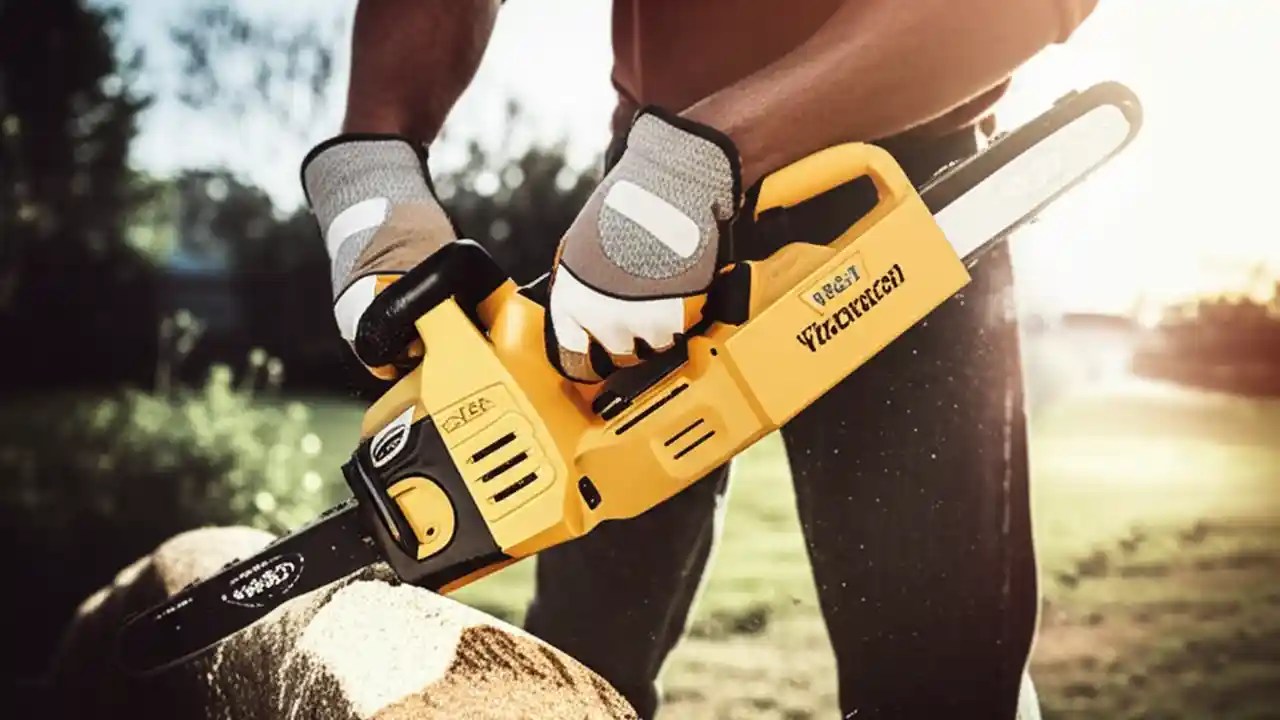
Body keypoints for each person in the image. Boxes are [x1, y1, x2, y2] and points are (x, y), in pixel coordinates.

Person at [300, 1, 1099, 717]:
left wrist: (709, 154)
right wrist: (374, 156)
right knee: (578, 650)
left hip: (890, 133)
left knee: (936, 673)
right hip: (639, 198)